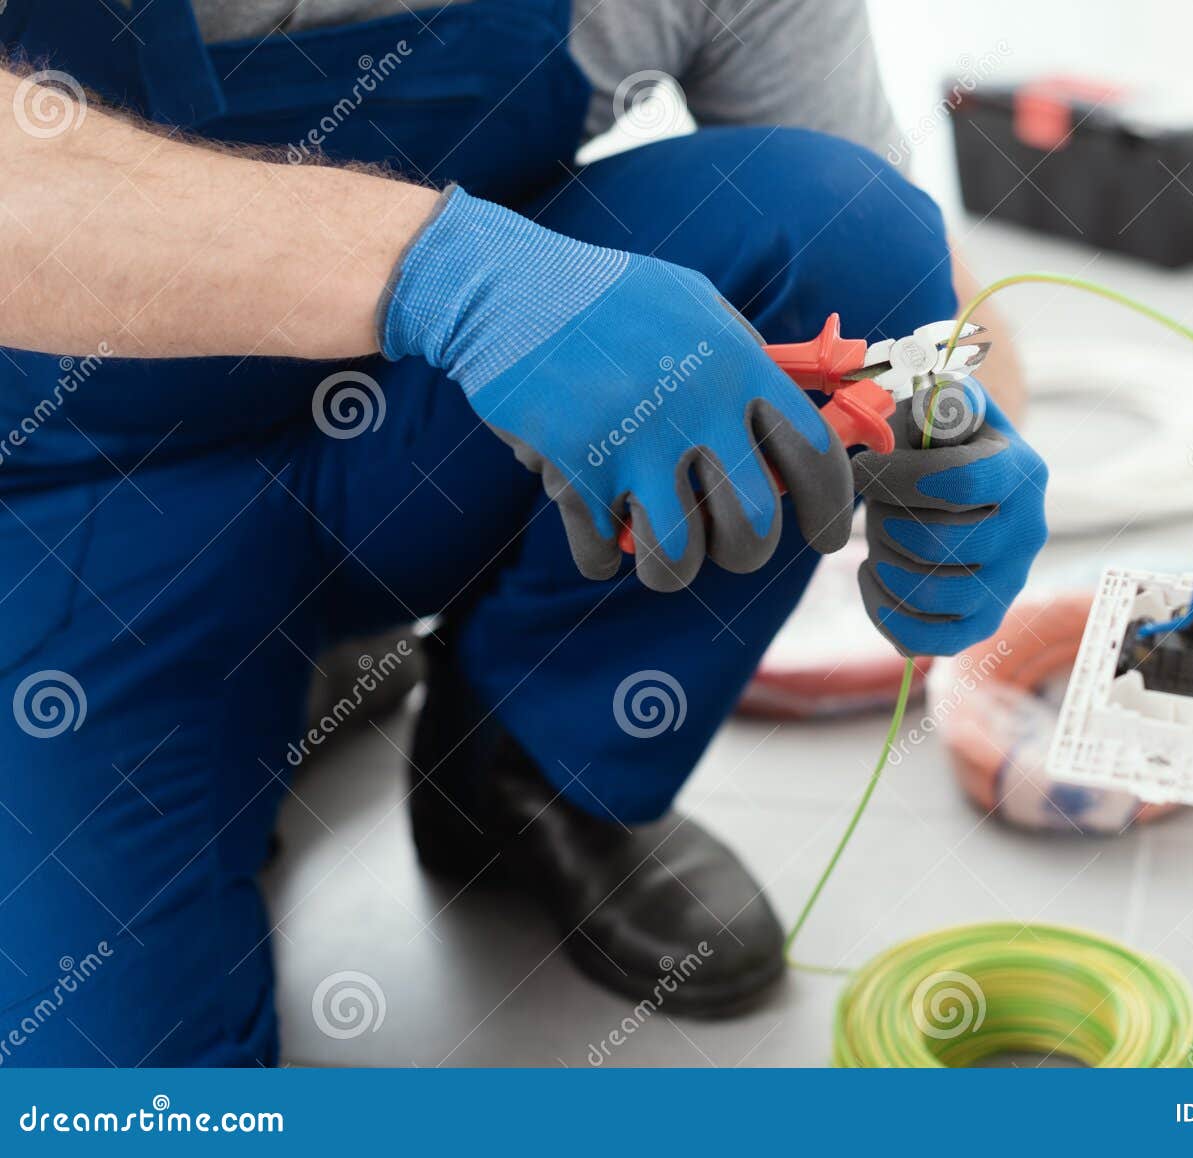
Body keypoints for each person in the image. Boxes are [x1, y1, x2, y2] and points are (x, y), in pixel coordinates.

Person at [0, 0, 1048, 1065]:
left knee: (834, 226)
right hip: (79, 506)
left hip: (427, 426)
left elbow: (898, 268)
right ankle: (265, 687)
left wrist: (955, 431)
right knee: (106, 1096)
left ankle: (535, 763)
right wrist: (448, 273)